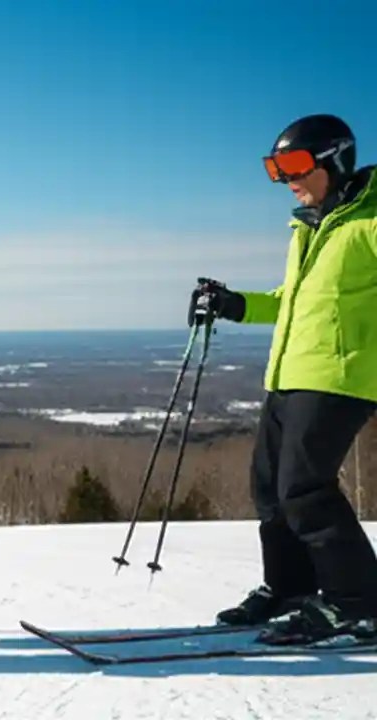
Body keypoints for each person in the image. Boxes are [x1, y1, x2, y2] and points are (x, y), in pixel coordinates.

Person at [193, 113, 377, 645]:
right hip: (290, 373)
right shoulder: (312, 227)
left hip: (341, 376)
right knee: (270, 489)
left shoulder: (368, 224)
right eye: (276, 168)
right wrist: (231, 304)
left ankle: (358, 603)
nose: (285, 179)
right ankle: (293, 587)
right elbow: (288, 300)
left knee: (305, 487)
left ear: (335, 159)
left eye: (295, 165)